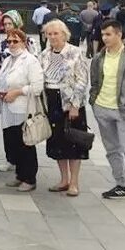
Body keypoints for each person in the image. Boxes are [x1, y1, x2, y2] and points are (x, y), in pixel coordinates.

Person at [90, 19, 125, 210]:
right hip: (102, 109)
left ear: (119, 34)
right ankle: (121, 185)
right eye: (103, 34)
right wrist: (94, 101)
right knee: (112, 150)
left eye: (108, 34)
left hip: (124, 110)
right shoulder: (99, 57)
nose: (104, 38)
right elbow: (95, 82)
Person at [38, 19, 89, 197]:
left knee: (74, 141)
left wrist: (75, 104)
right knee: (57, 141)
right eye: (49, 34)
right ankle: (63, 179)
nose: (52, 37)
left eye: (56, 33)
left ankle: (74, 182)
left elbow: (82, 80)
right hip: (51, 101)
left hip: (70, 102)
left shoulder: (75, 52)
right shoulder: (44, 54)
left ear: (64, 34)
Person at [0, 28, 44, 192]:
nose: (12, 44)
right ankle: (19, 175)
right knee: (13, 142)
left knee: (25, 144)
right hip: (8, 108)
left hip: (22, 108)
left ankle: (29, 178)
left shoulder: (30, 61)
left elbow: (37, 87)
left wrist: (17, 92)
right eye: (9, 41)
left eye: (16, 41)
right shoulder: (9, 59)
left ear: (24, 42)